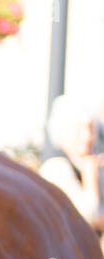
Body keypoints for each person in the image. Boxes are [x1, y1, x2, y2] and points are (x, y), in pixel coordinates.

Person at [40, 93, 103, 227]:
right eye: (79, 129)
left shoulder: (87, 163)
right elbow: (86, 217)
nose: (87, 137)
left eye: (90, 129)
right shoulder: (55, 168)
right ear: (64, 130)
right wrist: (90, 176)